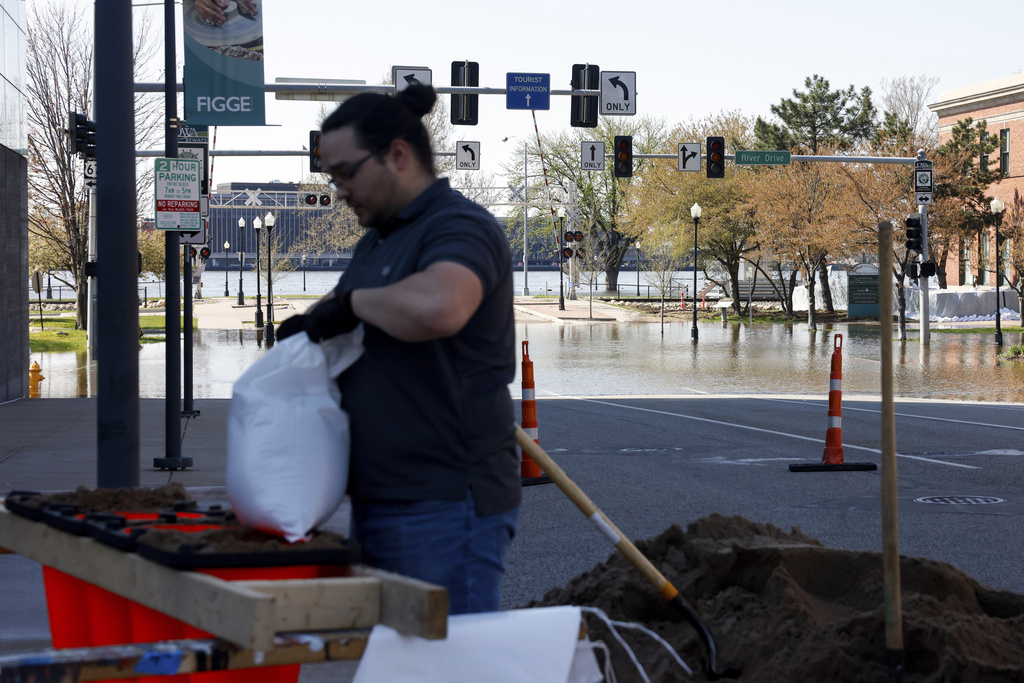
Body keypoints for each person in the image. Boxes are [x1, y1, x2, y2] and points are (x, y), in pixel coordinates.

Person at [277, 85, 520, 615]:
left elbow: (440, 305)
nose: (338, 189)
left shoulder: (459, 226)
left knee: (452, 668)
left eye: (346, 172)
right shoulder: (380, 239)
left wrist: (350, 305)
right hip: (383, 498)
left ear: (398, 155)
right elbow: (364, 316)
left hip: (445, 503)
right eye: (331, 176)